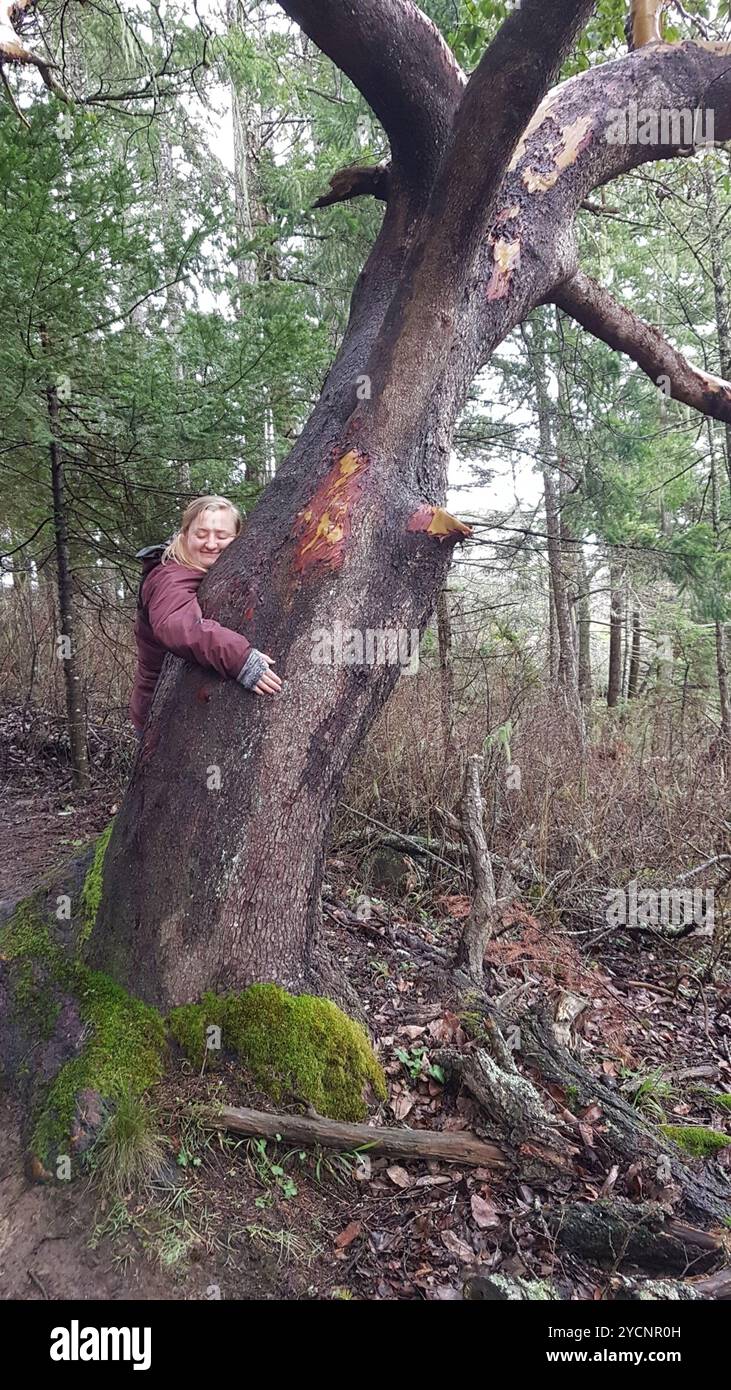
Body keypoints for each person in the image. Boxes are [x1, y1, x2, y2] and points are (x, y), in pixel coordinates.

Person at [129, 494, 282, 738]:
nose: (211, 544)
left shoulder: (199, 569)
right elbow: (175, 624)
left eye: (222, 536)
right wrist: (240, 659)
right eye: (201, 534)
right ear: (185, 535)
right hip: (159, 716)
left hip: (178, 708)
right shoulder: (170, 575)